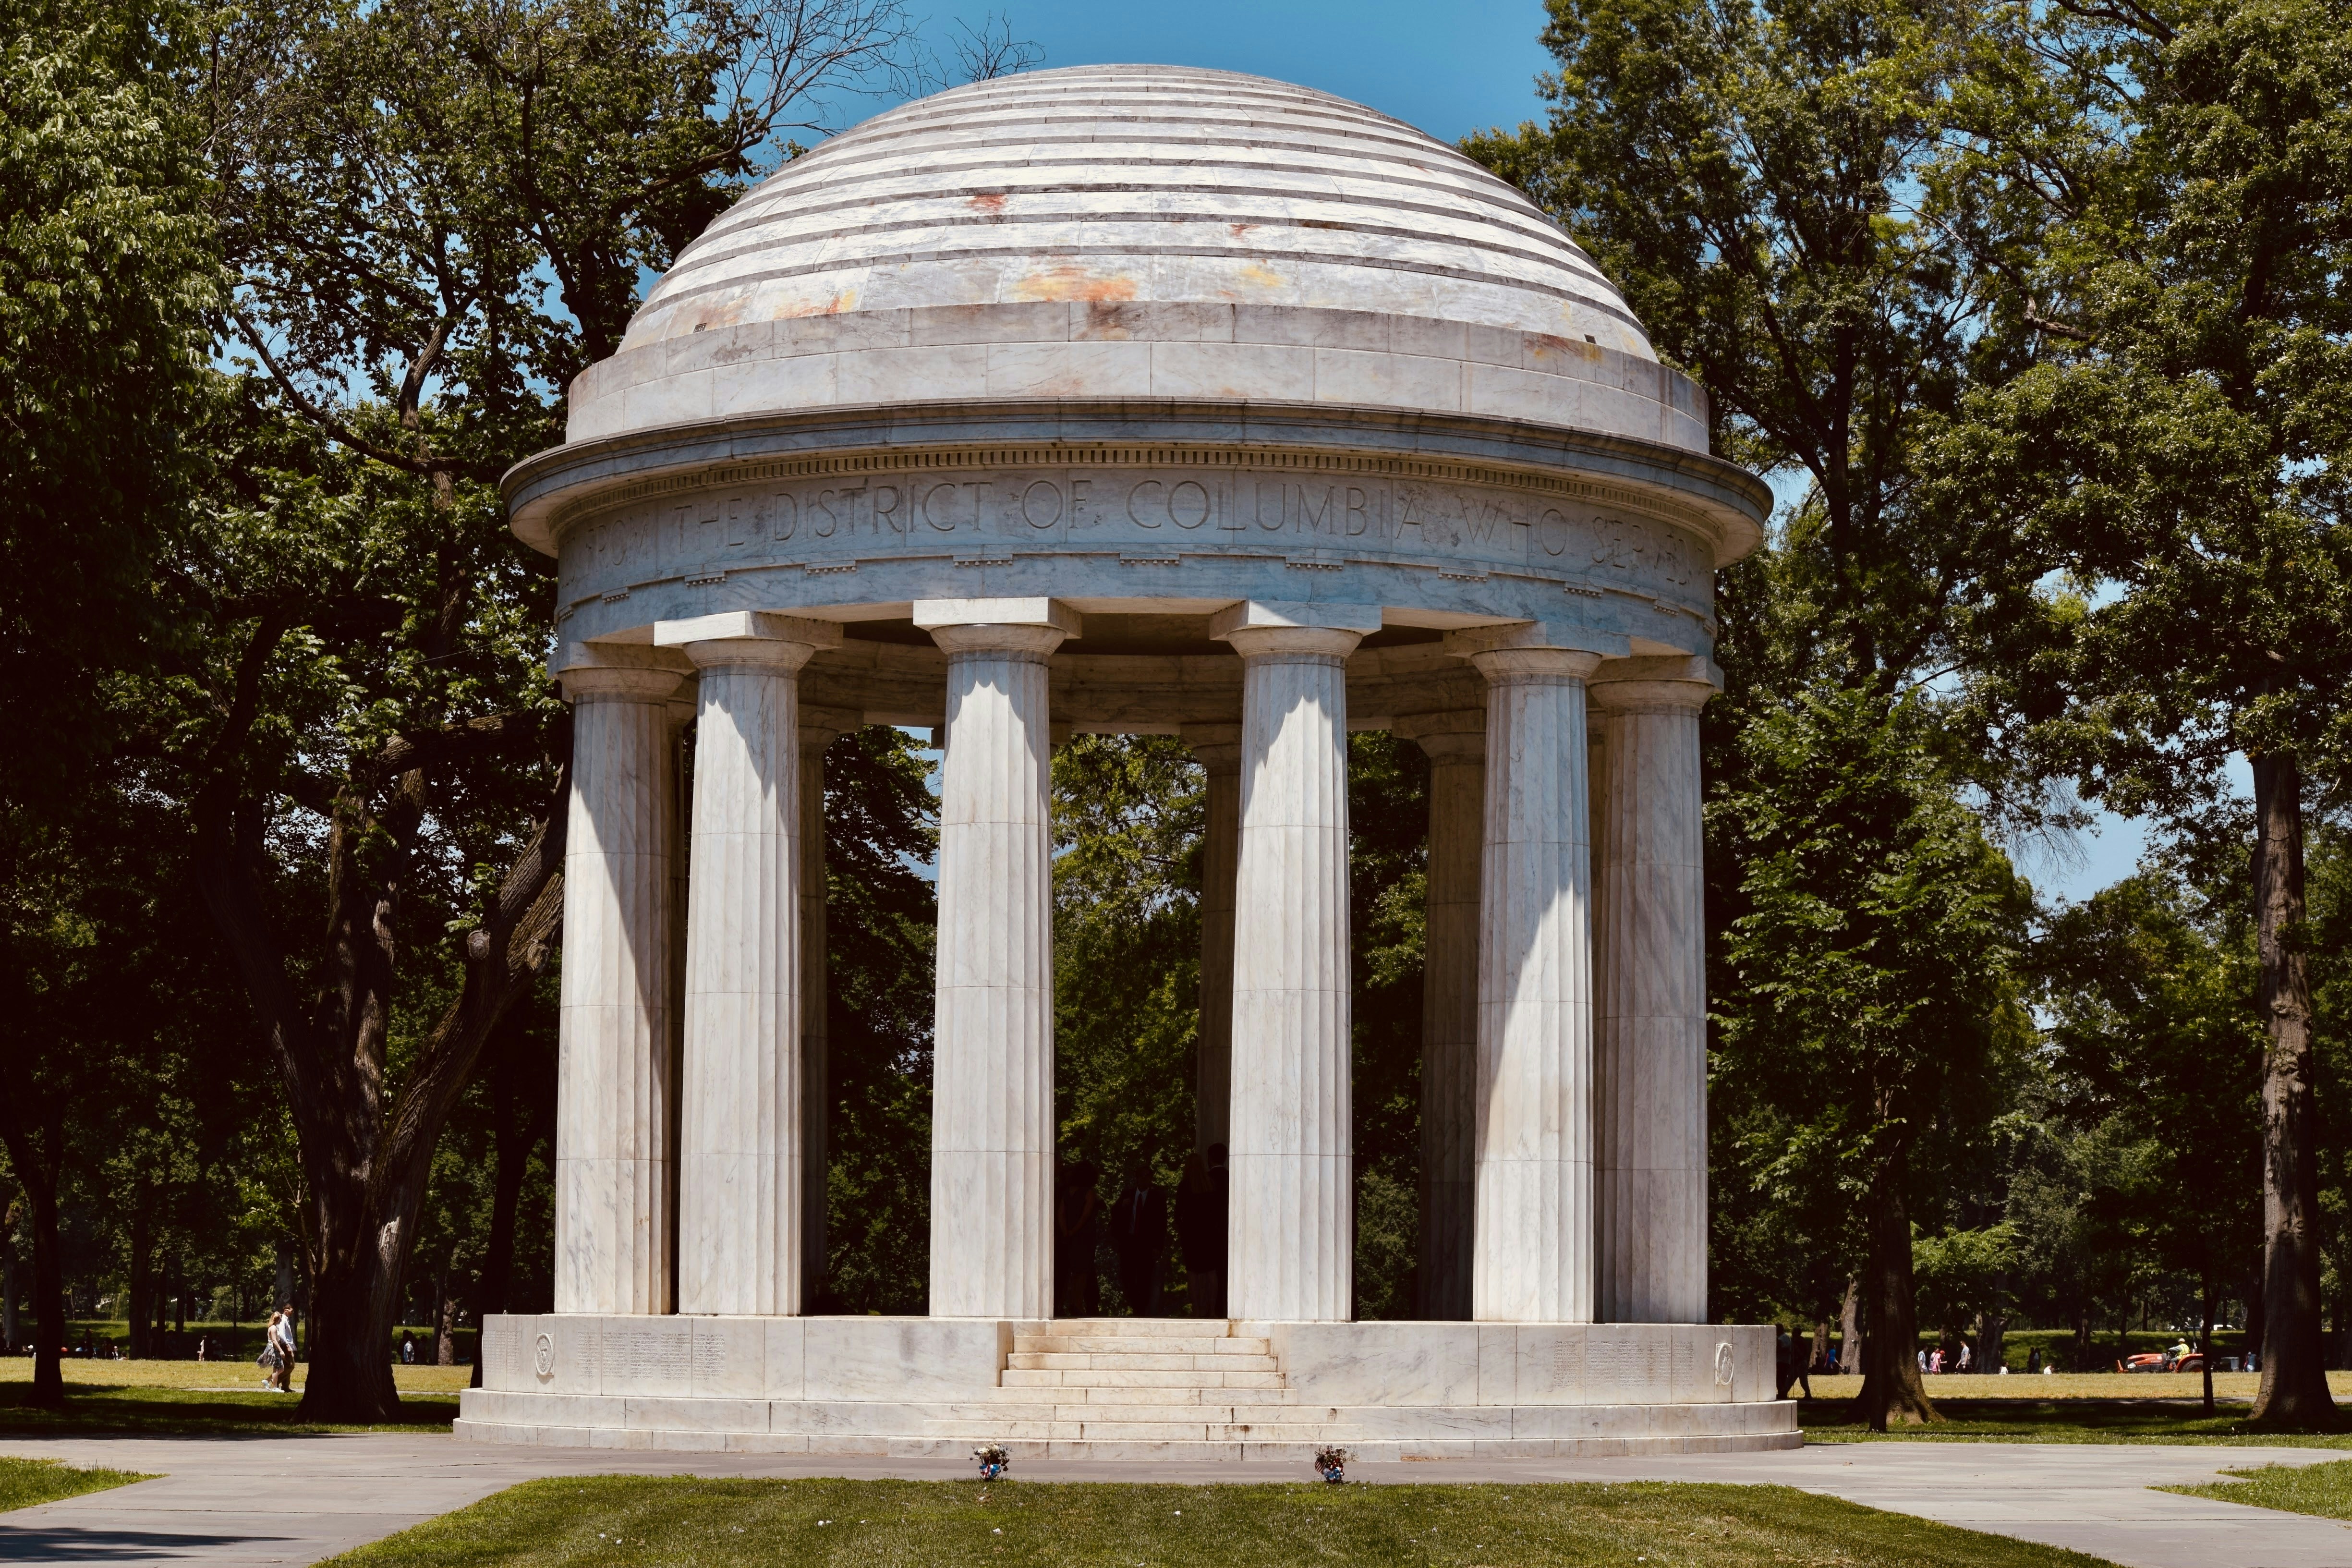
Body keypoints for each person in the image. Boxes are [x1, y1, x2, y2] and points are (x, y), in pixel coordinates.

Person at [1173, 1149, 1226, 1319]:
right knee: (1211, 1272)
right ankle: (1211, 1309)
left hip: (1191, 1235)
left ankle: (1197, 1309)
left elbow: (1178, 1213)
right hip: (1209, 1234)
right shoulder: (1210, 1184)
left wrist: (1182, 1229)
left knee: (1193, 1273)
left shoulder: (1185, 1186)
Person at [1108, 1165, 1166, 1316]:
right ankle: (1135, 1305)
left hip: (1147, 1245)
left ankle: (1141, 1310)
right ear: (1137, 1178)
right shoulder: (1127, 1194)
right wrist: (1122, 1206)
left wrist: (1158, 1247)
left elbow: (1161, 1224)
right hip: (1129, 1243)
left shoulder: (1158, 1198)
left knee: (1145, 1278)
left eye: (1148, 1176)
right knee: (1127, 1276)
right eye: (1141, 1175)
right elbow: (1114, 1214)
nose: (1144, 1179)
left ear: (1151, 1179)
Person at [1054, 1160, 1102, 1318]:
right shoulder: (1089, 1193)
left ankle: (1067, 1303)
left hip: (1069, 1236)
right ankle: (1077, 1303)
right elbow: (1086, 1216)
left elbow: (1061, 1213)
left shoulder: (1068, 1192)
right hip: (1084, 1236)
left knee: (1071, 1270)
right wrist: (1074, 1231)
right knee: (1083, 1271)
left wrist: (1066, 1231)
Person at [270, 1304, 297, 1392]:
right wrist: (287, 1346)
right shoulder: (283, 1320)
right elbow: (282, 1335)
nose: (292, 1312)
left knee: (287, 1366)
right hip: (285, 1346)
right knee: (291, 1366)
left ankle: (286, 1386)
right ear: (285, 1310)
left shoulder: (287, 1320)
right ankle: (276, 1380)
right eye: (290, 1310)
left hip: (288, 1345)